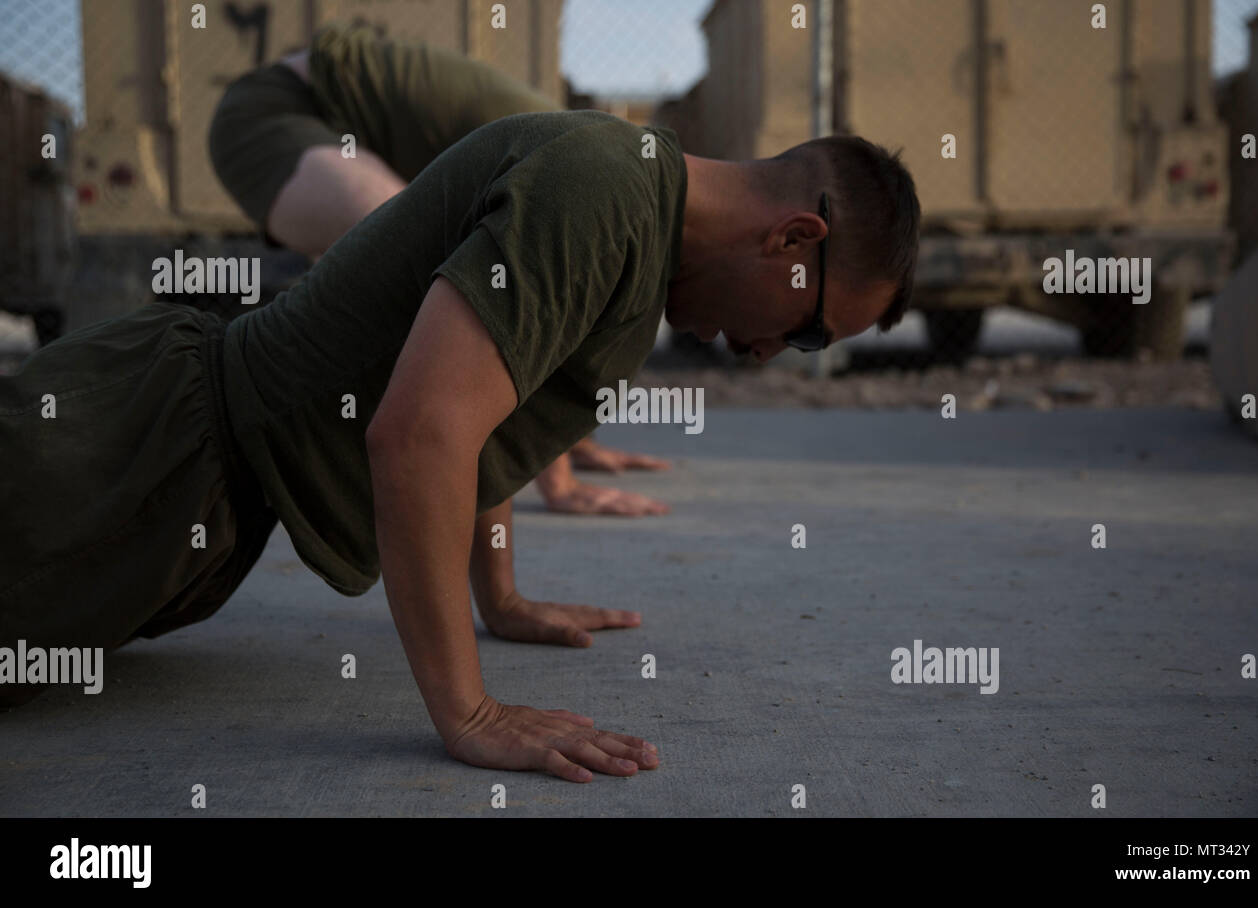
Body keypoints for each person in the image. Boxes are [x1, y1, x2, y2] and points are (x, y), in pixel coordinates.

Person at [0, 106, 920, 783]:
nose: (771, 354)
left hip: (191, 495)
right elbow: (417, 436)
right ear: (794, 239)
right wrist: (470, 711)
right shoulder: (603, 190)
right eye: (806, 329)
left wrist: (502, 596)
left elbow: (478, 426)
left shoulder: (639, 248)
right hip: (127, 453)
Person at [209, 21, 670, 517]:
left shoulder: (607, 175)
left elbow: (573, 329)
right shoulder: (580, 176)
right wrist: (557, 480)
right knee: (426, 269)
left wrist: (569, 436)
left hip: (342, 117)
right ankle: (221, 442)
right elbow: (522, 312)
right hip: (276, 111)